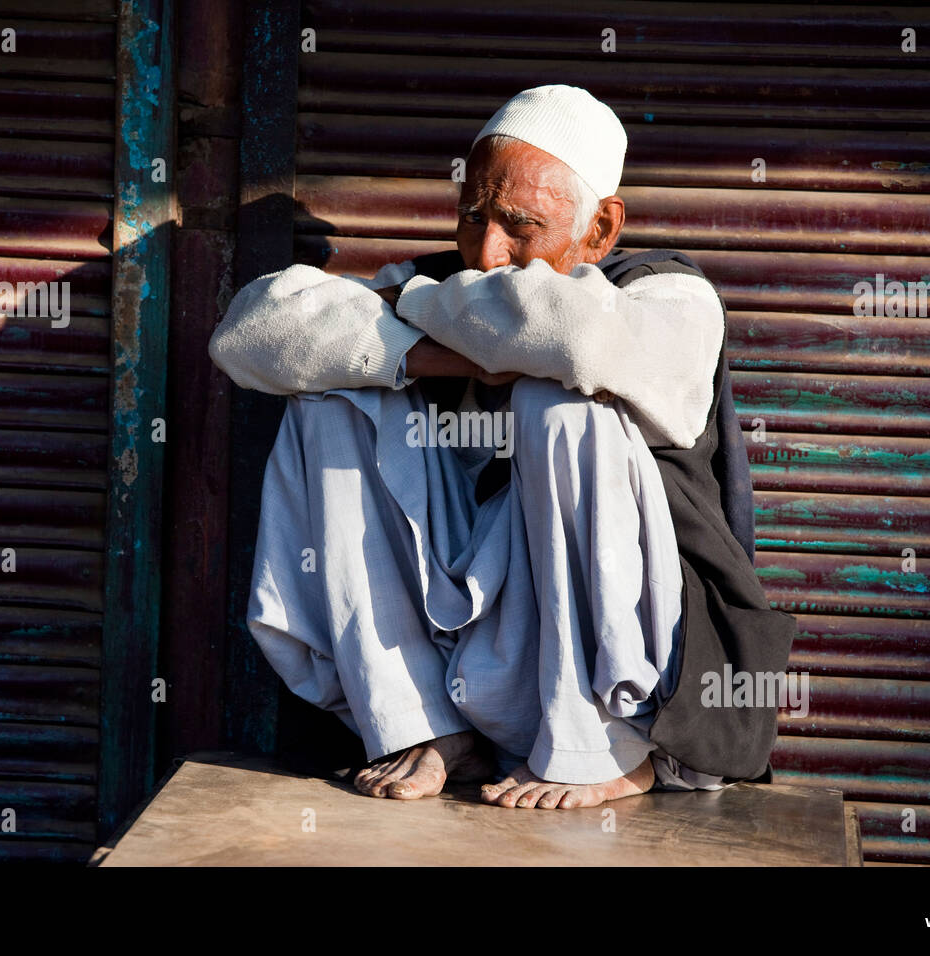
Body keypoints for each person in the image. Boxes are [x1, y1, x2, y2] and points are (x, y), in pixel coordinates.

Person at [208, 85, 796, 810]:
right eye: (472, 217)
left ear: (602, 229)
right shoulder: (457, 284)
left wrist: (415, 309)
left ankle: (606, 744)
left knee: (558, 400)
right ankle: (423, 724)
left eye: (521, 225)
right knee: (329, 399)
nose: (487, 253)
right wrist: (448, 356)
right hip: (469, 622)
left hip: (633, 656)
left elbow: (573, 333)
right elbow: (249, 334)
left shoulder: (670, 297)